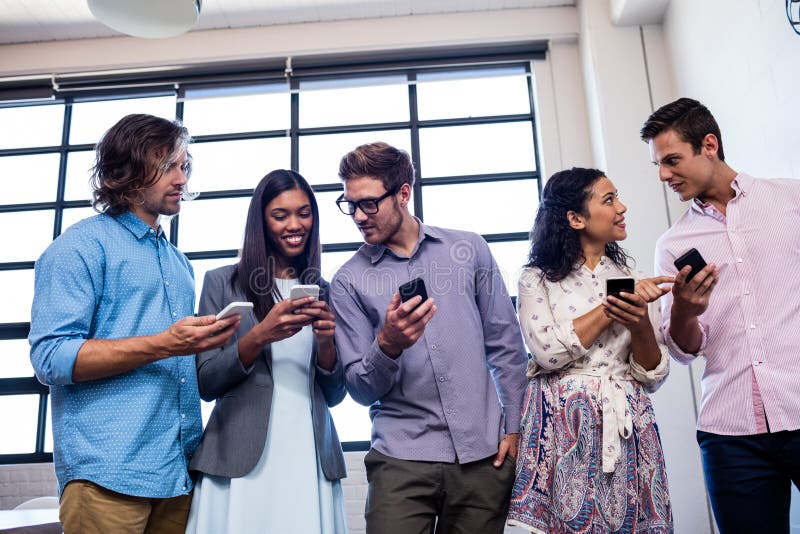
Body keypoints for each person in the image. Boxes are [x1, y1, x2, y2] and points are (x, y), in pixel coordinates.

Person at [28, 114, 240, 534]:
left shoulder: (179, 264)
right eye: (168, 166)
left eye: (184, 165)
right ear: (126, 172)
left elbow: (182, 363)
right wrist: (166, 343)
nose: (182, 178)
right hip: (107, 476)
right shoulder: (79, 247)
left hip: (177, 478)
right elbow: (50, 358)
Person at [329, 141, 528, 534]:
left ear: (403, 193)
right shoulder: (347, 282)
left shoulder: (469, 249)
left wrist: (515, 428)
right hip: (400, 460)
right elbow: (360, 389)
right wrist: (387, 345)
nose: (358, 216)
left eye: (369, 204)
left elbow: (506, 346)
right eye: (350, 204)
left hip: (483, 457)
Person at [642, 97, 800, 534]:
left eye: (672, 160)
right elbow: (684, 350)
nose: (663, 175)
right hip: (731, 434)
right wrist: (685, 312)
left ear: (709, 145)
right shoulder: (673, 244)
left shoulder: (792, 200)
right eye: (658, 165)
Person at [507, 167, 674, 533]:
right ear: (576, 218)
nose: (621, 208)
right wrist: (612, 307)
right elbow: (547, 352)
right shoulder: (536, 279)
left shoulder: (634, 280)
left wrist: (639, 322)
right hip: (562, 430)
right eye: (609, 200)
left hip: (628, 424)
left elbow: (652, 375)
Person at [185, 169, 348, 534]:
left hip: (309, 454)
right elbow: (206, 382)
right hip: (238, 455)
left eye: (304, 213)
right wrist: (259, 336)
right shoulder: (221, 283)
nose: (295, 224)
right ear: (261, 222)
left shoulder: (326, 291)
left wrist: (326, 345)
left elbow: (336, 395)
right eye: (280, 215)